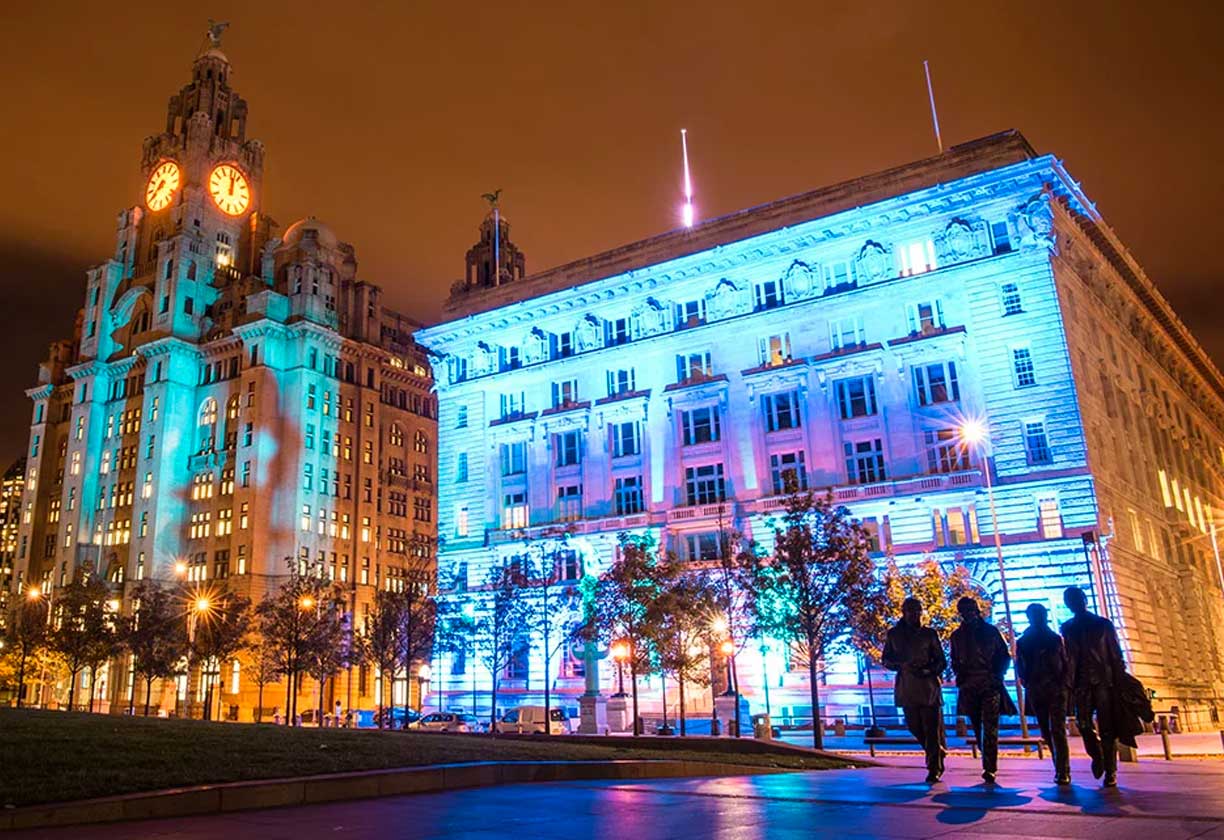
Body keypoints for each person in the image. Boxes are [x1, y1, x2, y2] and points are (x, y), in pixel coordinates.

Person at [1061, 586, 1126, 787]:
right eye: (1070, 600)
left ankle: (1111, 772)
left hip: (1103, 682)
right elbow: (1068, 657)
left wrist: (1119, 679)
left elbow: (1115, 653)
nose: (1074, 603)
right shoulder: (1067, 627)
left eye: (1077, 598)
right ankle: (1097, 754)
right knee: (1083, 724)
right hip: (1081, 683)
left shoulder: (1102, 624)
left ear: (1084, 600)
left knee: (1107, 728)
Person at [950, 596, 1016, 783]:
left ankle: (990, 768)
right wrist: (960, 676)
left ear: (977, 611)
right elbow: (955, 660)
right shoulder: (956, 636)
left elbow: (1004, 655)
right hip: (969, 686)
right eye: (964, 611)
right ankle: (986, 757)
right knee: (978, 728)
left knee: (990, 728)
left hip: (989, 684)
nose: (968, 614)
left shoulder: (991, 632)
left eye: (971, 610)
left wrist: (997, 675)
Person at [882, 597, 948, 783]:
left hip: (928, 687)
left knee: (931, 729)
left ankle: (933, 768)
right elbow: (886, 659)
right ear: (904, 612)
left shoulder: (929, 634)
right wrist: (899, 665)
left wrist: (928, 670)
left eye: (918, 610)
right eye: (911, 610)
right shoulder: (894, 635)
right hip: (907, 686)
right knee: (913, 725)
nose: (915, 614)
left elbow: (941, 661)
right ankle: (936, 751)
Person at [1016, 603, 1071, 784]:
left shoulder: (1054, 639)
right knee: (1048, 731)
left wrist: (1063, 683)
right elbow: (1020, 667)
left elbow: (1065, 663)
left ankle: (1062, 770)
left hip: (1053, 688)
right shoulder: (1024, 641)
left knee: (1057, 729)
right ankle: (1060, 766)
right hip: (1039, 688)